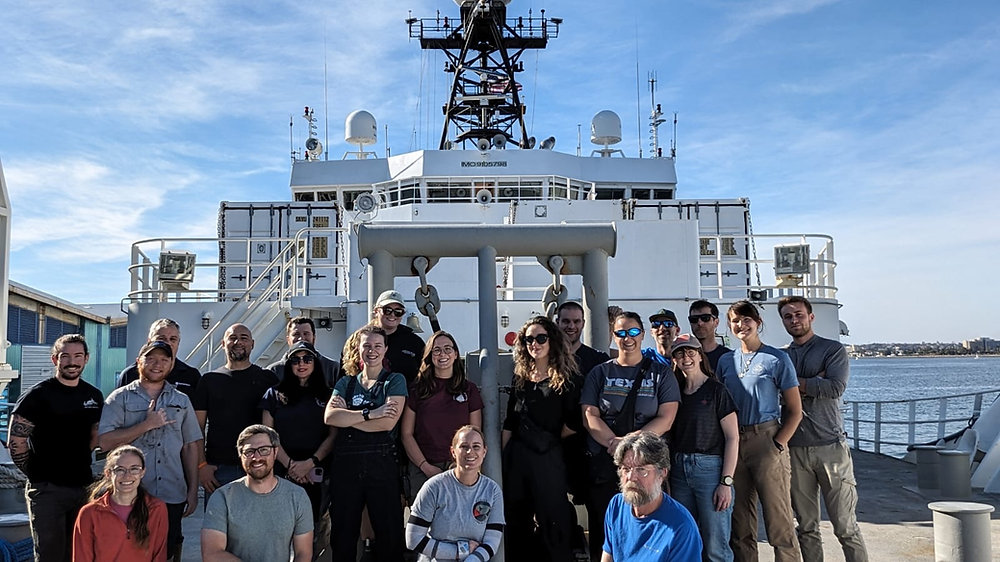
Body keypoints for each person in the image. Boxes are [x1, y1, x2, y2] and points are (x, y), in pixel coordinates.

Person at [581, 311, 681, 562]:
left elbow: (666, 418)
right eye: (621, 333)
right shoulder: (599, 373)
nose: (628, 338)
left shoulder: (661, 373)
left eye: (633, 332)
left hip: (647, 464)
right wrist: (616, 445)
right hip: (607, 463)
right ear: (614, 337)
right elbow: (589, 415)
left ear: (642, 335)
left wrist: (629, 444)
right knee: (605, 527)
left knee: (646, 521)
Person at [780, 296, 868, 562]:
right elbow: (775, 393)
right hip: (795, 449)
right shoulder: (782, 356)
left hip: (831, 447)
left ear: (811, 317)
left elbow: (834, 388)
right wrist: (812, 381)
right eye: (788, 316)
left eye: (799, 314)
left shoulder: (833, 350)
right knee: (806, 527)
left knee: (845, 526)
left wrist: (792, 385)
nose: (794, 320)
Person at [98, 340, 202, 561]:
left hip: (171, 493)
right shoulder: (119, 399)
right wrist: (145, 425)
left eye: (164, 359)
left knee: (166, 551)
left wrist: (192, 490)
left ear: (171, 364)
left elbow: (190, 446)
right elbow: (105, 442)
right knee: (130, 550)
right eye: (151, 358)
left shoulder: (181, 401)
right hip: (129, 494)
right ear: (138, 362)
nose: (157, 364)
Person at [716, 301, 802, 562]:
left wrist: (778, 444)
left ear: (758, 322)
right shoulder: (725, 361)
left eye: (746, 319)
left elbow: (795, 410)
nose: (741, 325)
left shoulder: (777, 358)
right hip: (733, 444)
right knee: (740, 524)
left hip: (766, 439)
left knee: (779, 521)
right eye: (735, 320)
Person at [8, 333, 104, 562]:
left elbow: (95, 436)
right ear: (55, 360)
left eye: (78, 355)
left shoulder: (94, 395)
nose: (72, 361)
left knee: (80, 553)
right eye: (65, 356)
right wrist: (37, 476)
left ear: (86, 358)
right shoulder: (37, 396)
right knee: (50, 555)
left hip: (83, 488)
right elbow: (16, 441)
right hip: (47, 491)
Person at [324, 325, 407, 562]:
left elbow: (388, 424)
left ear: (385, 349)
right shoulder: (346, 383)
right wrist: (372, 413)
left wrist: (348, 418)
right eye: (367, 346)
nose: (372, 351)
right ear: (358, 349)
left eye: (377, 346)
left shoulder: (394, 381)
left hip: (382, 466)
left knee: (389, 532)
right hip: (346, 468)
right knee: (343, 533)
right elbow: (330, 417)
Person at [502, 316, 580, 562]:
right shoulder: (521, 377)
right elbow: (510, 421)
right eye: (528, 340)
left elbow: (576, 422)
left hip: (549, 457)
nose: (534, 344)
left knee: (553, 518)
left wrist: (551, 440)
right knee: (515, 518)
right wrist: (504, 459)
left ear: (552, 340)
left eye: (540, 338)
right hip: (518, 457)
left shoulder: (567, 379)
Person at [261, 341, 336, 558]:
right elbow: (268, 435)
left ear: (316, 362)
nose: (301, 364)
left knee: (314, 534)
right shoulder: (274, 394)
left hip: (317, 474)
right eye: (295, 359)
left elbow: (333, 435)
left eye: (307, 359)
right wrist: (292, 466)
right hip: (283, 473)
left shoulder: (329, 394)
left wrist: (309, 463)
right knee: (280, 532)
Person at [668, 334, 738, 562]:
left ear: (699, 356)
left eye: (690, 352)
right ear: (674, 359)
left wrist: (725, 482)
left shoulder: (717, 391)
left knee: (715, 546)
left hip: (710, 470)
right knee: (685, 540)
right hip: (679, 471)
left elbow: (732, 437)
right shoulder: (673, 394)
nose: (685, 357)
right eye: (679, 353)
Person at [202, 424, 313, 561]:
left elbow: (303, 553)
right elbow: (212, 553)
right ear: (240, 456)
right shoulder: (222, 497)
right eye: (249, 452)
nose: (256, 457)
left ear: (275, 452)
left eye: (264, 450)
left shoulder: (297, 496)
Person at [192, 324, 279, 500]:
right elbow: (196, 428)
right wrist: (202, 466)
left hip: (260, 466)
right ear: (223, 343)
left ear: (252, 344)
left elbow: (279, 425)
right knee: (218, 527)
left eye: (244, 338)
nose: (238, 342)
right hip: (219, 470)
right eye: (232, 338)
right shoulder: (209, 381)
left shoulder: (268, 379)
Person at [401, 331, 483, 502]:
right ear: (429, 356)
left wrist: (465, 467)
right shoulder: (416, 389)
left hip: (461, 466)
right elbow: (406, 434)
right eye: (436, 350)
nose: (442, 354)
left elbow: (476, 433)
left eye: (447, 349)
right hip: (423, 467)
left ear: (455, 354)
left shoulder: (469, 389)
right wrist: (425, 467)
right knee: (424, 524)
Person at [406, 425, 505, 562]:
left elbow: (492, 541)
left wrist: (471, 560)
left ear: (484, 452)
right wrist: (460, 551)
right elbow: (413, 539)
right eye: (464, 446)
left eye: (476, 446)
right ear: (453, 452)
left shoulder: (493, 491)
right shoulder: (434, 487)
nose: (470, 452)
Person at [602, 431, 703, 562]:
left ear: (662, 473)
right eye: (626, 469)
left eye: (641, 470)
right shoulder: (616, 506)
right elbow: (607, 556)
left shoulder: (681, 527)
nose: (631, 477)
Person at [72, 445, 169, 562]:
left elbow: (159, 555)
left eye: (134, 469)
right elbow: (81, 558)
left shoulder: (157, 508)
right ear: (108, 473)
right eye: (120, 469)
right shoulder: (89, 513)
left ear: (143, 472)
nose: (127, 475)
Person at [117, 318, 201, 398]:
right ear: (149, 341)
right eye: (161, 338)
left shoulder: (192, 376)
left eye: (173, 339)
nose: (168, 343)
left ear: (178, 343)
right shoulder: (129, 374)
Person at [265, 316, 341, 388]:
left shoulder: (332, 369)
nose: (301, 338)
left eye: (306, 334)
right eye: (296, 334)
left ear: (314, 338)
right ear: (288, 340)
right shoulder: (273, 371)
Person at [371, 290, 425, 383]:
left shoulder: (415, 342)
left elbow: (426, 371)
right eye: (387, 310)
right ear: (376, 311)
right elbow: (348, 369)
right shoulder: (360, 339)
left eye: (398, 312)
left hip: (407, 395)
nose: (392, 315)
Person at [688, 301, 732, 372]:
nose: (700, 323)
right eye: (694, 319)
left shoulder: (729, 358)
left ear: (716, 322)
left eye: (705, 318)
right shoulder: (685, 358)